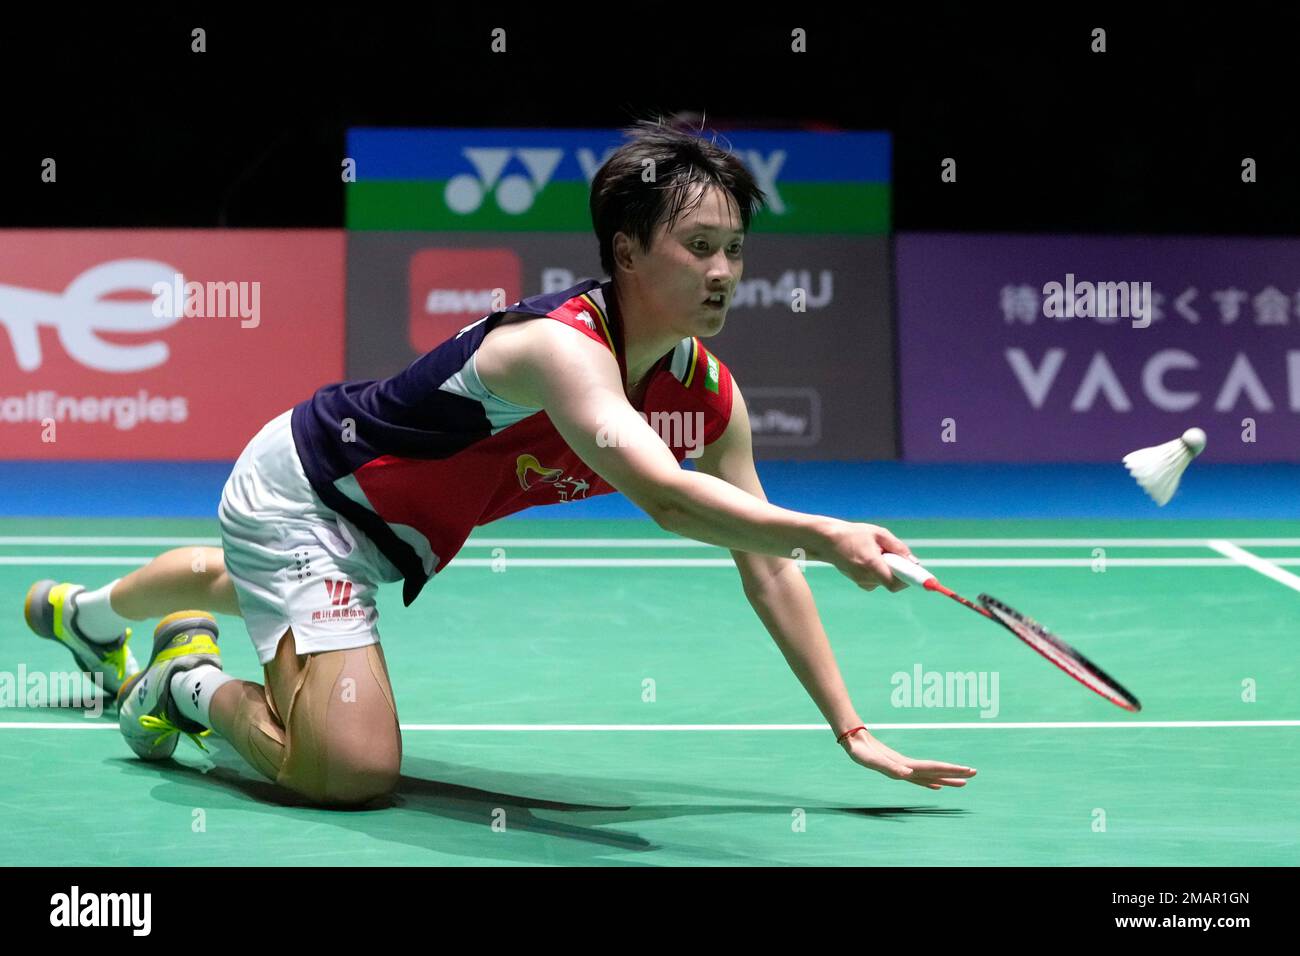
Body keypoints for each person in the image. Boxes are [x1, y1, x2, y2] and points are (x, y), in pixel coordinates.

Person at [23, 121, 976, 806]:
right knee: (351, 770)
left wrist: (850, 728)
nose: (723, 271)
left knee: (238, 586)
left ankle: (88, 617)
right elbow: (671, 503)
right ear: (628, 250)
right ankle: (179, 681)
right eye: (698, 247)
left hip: (387, 533)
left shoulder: (709, 397)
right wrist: (831, 527)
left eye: (734, 249)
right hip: (306, 493)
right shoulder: (556, 348)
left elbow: (765, 564)